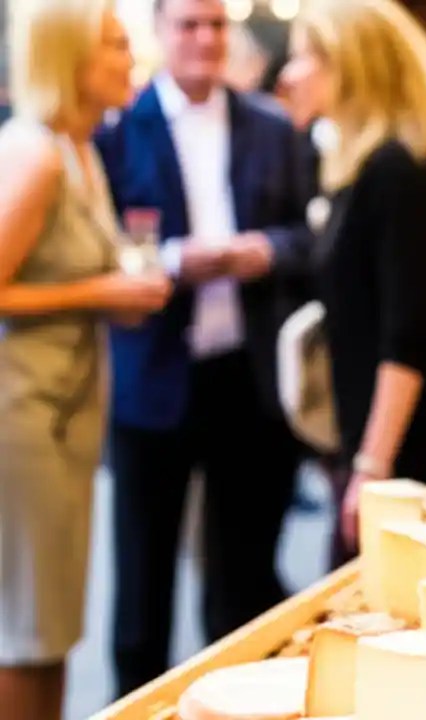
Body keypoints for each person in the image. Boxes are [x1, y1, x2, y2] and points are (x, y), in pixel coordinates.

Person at [95, 0, 316, 696]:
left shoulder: (272, 127)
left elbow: (306, 237)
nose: (204, 39)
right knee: (142, 586)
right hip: (154, 375)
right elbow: (100, 251)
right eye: (188, 24)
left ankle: (238, 705)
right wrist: (169, 260)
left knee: (242, 582)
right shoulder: (119, 131)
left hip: (244, 379)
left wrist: (264, 250)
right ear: (159, 32)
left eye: (216, 25)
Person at [0, 2, 172, 717]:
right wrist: (100, 290)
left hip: (68, 415)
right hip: (26, 416)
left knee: (58, 621)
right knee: (25, 629)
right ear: (69, 57)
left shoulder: (80, 150)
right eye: (113, 45)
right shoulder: (35, 153)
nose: (129, 59)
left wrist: (114, 296)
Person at [281, 0, 426, 549]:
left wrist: (371, 463)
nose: (291, 75)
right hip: (375, 440)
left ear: (351, 65)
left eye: (305, 58)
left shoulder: (396, 172)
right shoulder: (358, 168)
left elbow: (408, 335)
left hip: (405, 452)